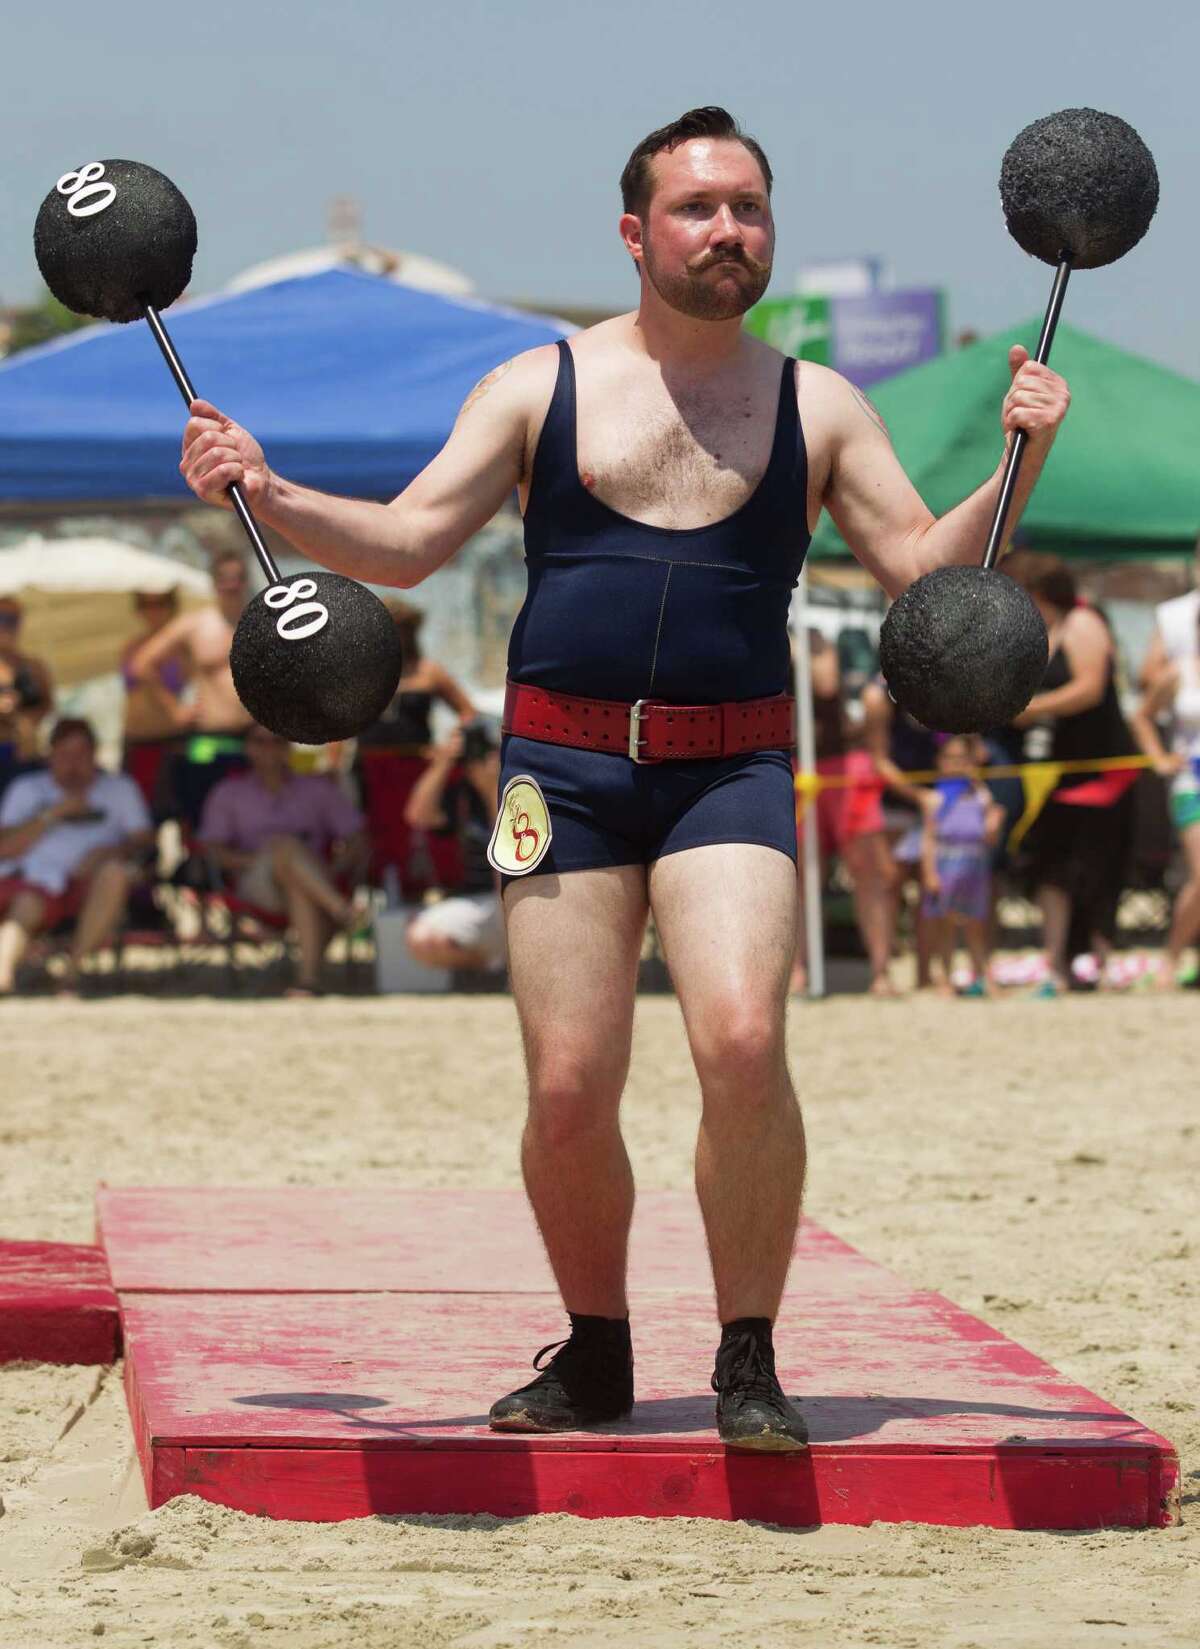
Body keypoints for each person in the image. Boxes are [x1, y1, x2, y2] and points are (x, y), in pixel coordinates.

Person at [179, 106, 1069, 1447]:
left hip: (733, 771)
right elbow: (414, 539)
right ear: (635, 232)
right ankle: (595, 1352)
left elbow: (925, 582)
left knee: (746, 1039)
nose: (729, 230)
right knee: (568, 1084)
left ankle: (749, 1358)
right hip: (562, 771)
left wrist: (1023, 451)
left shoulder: (815, 402)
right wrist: (269, 486)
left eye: (750, 207)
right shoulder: (542, 384)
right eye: (701, 207)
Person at [1008, 555, 1138, 995]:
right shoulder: (1045, 631)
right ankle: (1055, 961)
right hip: (1060, 770)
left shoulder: (1084, 622)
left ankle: (1102, 960)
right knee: (1050, 866)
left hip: (1101, 768)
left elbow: (1090, 688)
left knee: (1099, 865)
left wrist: (1032, 710)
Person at [196, 723, 369, 997]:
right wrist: (259, 860)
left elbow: (357, 840)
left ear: (288, 748)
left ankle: (307, 982)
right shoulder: (228, 793)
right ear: (248, 748)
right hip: (254, 880)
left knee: (295, 880)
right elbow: (213, 851)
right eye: (259, 742)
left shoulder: (317, 789)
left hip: (312, 879)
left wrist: (332, 868)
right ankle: (342, 911)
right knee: (284, 848)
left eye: (276, 742)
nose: (268, 749)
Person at [0, 717, 154, 995]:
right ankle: (3, 973)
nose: (73, 763)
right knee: (28, 903)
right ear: (50, 756)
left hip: (87, 886)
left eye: (81, 754)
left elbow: (144, 844)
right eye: (65, 754)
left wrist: (109, 852)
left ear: (94, 755)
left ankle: (72, 973)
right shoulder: (28, 789)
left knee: (115, 873)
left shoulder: (119, 789)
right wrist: (52, 814)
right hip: (30, 883)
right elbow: (5, 847)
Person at [792, 631, 895, 995]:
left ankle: (881, 971)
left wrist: (797, 643)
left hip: (843, 767)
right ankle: (797, 971)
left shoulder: (812, 638)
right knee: (796, 877)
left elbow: (825, 684)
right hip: (795, 765)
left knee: (869, 872)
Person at [127, 549, 253, 828]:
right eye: (225, 578)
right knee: (203, 818)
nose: (232, 585)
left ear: (246, 581)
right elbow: (142, 664)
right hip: (207, 740)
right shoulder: (195, 625)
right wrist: (175, 710)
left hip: (255, 739)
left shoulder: (262, 621)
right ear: (214, 583)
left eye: (238, 578)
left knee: (252, 821)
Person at [1130, 575, 1200, 987]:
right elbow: (1141, 715)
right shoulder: (1178, 671)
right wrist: (1158, 757)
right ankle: (1171, 958)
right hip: (1191, 779)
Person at [404, 719, 505, 974]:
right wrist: (444, 761)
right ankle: (492, 968)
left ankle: (511, 967)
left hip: (522, 900)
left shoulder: (526, 786)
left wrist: (494, 791)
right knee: (421, 938)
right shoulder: (461, 796)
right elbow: (417, 815)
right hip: (480, 903)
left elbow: (509, 854)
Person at [861, 675, 939, 989]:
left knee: (930, 887)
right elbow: (878, 759)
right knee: (888, 884)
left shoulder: (940, 684)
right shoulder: (878, 695)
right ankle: (881, 973)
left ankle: (924, 973)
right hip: (893, 801)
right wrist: (918, 795)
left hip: (933, 800)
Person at [919, 735, 1005, 996]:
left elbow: (990, 833)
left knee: (976, 926)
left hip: (974, 865)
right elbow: (929, 838)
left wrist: (994, 823)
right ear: (939, 762)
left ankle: (982, 975)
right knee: (945, 926)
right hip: (946, 865)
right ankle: (944, 977)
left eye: (962, 759)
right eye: (950, 759)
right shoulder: (934, 798)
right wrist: (930, 872)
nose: (956, 765)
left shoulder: (981, 794)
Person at [357, 598, 477, 751]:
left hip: (416, 762)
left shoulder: (429, 671)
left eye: (401, 627)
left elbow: (468, 711)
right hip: (368, 765)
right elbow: (338, 717)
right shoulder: (362, 671)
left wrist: (452, 742)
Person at [120, 588, 189, 810]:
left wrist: (173, 709)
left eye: (159, 604)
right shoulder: (131, 646)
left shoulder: (184, 647)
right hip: (137, 740)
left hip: (174, 740)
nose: (153, 611)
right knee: (140, 813)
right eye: (146, 605)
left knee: (184, 813)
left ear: (172, 606)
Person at [0, 597, 54, 801]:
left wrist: (21, 716)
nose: (5, 626)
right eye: (0, 618)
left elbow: (48, 705)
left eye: (11, 620)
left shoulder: (34, 666)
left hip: (27, 752)